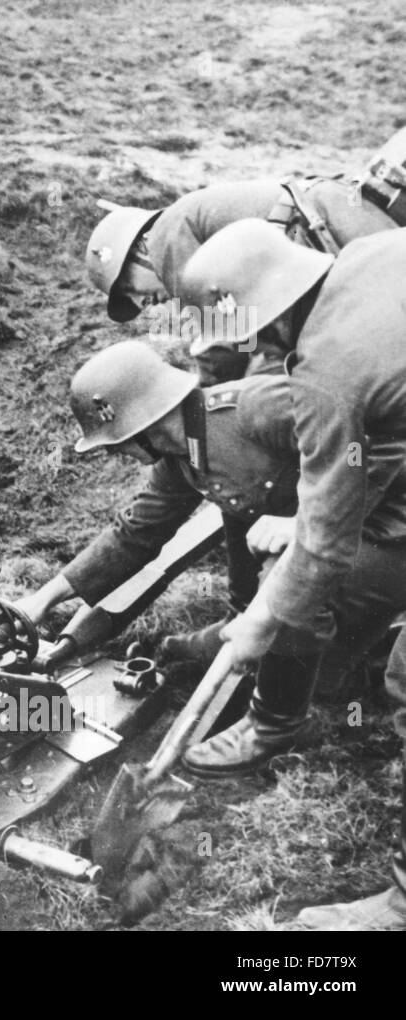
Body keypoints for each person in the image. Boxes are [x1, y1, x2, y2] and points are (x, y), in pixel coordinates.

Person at [12, 341, 406, 778]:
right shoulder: (181, 460)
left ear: (144, 421)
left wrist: (305, 522)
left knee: (291, 586)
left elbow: (377, 442)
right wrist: (44, 601)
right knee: (278, 608)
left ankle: (276, 725)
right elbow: (134, 533)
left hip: (385, 534)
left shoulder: (256, 408)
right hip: (329, 546)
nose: (112, 451)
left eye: (115, 440)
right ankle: (300, 663)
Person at [178, 219, 406, 929]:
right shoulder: (370, 254)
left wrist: (259, 624)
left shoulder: (329, 379)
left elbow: (325, 544)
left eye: (247, 332)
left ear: (270, 307)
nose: (251, 350)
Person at [84, 178, 396, 384]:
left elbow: (220, 336)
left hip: (334, 232)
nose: (142, 303)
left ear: (138, 251)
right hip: (336, 224)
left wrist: (207, 400)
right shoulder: (185, 224)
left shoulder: (165, 238)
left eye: (129, 288)